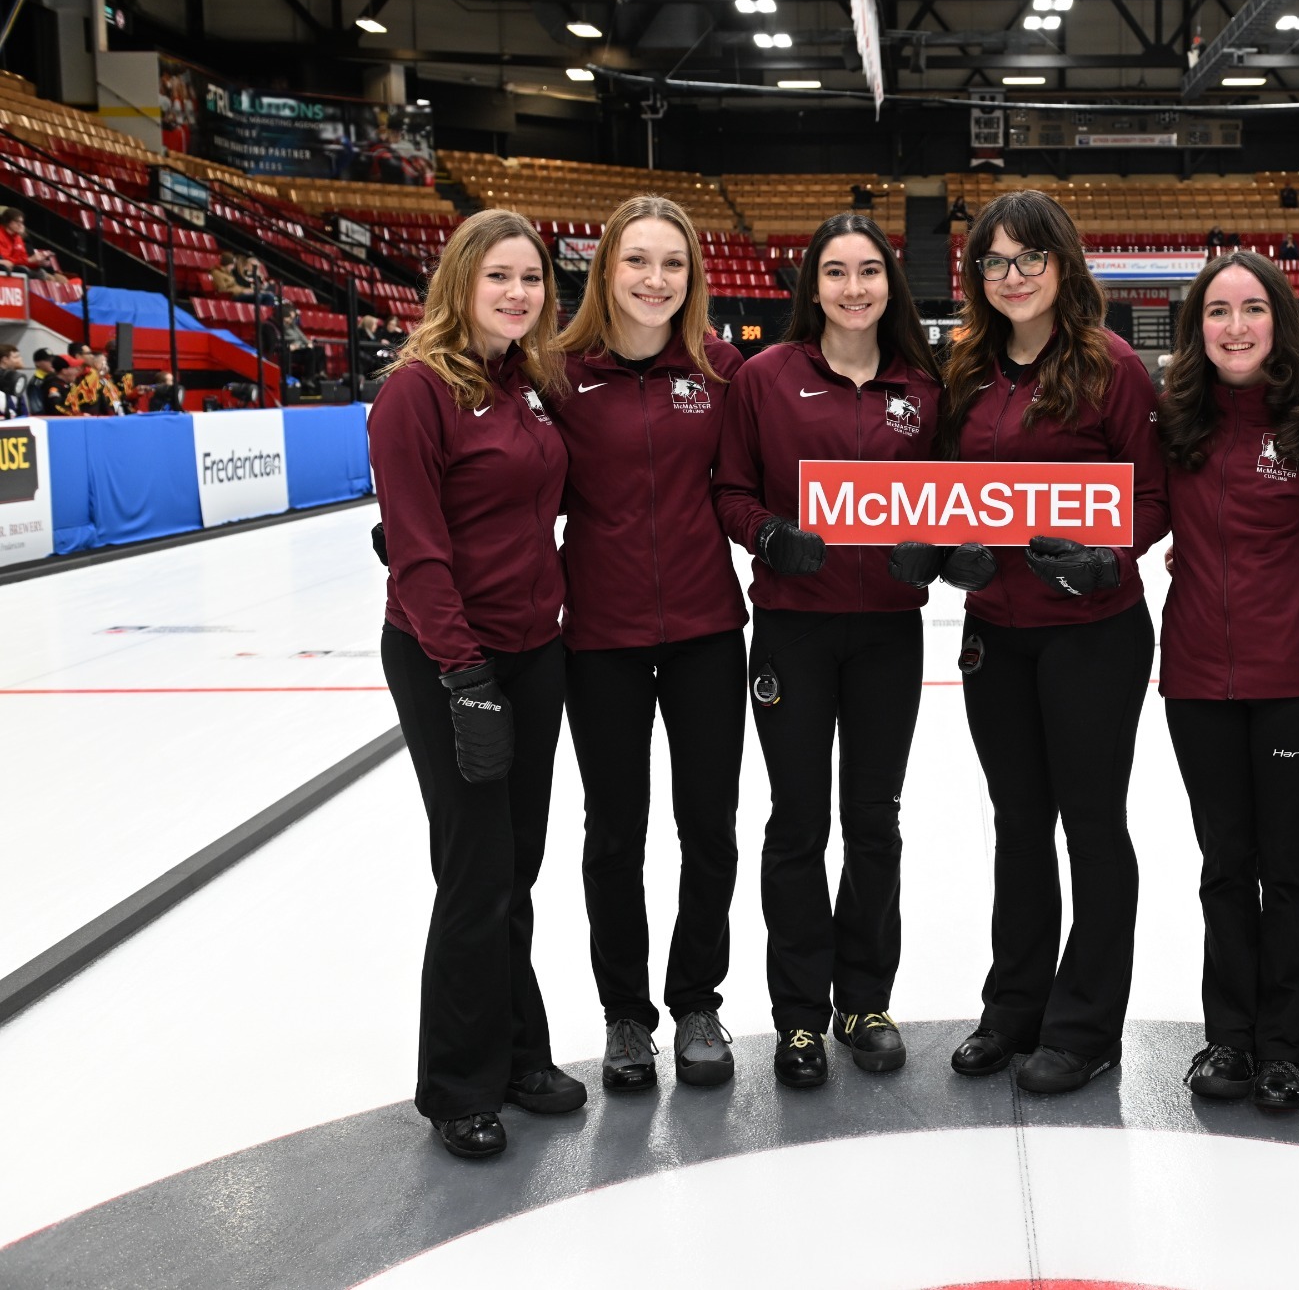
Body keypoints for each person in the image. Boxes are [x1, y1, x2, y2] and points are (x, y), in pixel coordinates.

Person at [935, 189, 1169, 1094]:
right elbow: (948, 498)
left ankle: (1085, 1024)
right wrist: (950, 555)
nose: (1013, 276)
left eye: (1029, 257)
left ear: (1063, 264)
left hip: (1093, 636)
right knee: (1018, 825)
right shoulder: (966, 371)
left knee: (1091, 824)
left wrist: (1111, 560)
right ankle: (1016, 1006)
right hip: (997, 632)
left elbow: (1150, 498)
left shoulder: (1112, 367)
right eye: (994, 261)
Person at [713, 212, 944, 1089]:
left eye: (871, 272)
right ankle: (801, 1016)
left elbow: (953, 501)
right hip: (793, 632)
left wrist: (939, 550)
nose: (855, 288)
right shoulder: (765, 378)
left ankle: (865, 1000)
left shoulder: (923, 385)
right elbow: (729, 488)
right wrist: (769, 535)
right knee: (798, 823)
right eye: (838, 272)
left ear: (892, 283)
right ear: (813, 285)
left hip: (888, 633)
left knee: (874, 821)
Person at [368, 208, 580, 1161]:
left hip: (537, 651)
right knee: (475, 870)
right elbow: (415, 551)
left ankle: (518, 1051)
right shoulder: (414, 393)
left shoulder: (529, 383)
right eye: (499, 277)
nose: (517, 294)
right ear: (460, 282)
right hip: (451, 658)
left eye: (531, 279)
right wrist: (462, 674)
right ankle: (456, 1082)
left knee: (515, 865)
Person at [1157, 251, 1299, 1113]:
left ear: (1279, 320)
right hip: (1198, 677)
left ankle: (1282, 1047)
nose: (1234, 326)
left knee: (1288, 866)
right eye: (1216, 311)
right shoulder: (1173, 423)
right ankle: (1226, 1040)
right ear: (1195, 328)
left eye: (1250, 309)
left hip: (1295, 675)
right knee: (1221, 864)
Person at [550, 195, 749, 1094]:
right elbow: (513, 483)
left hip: (708, 628)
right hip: (601, 638)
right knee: (614, 833)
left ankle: (697, 998)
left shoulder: (720, 370)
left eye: (673, 263)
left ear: (693, 277)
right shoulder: (556, 374)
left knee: (708, 827)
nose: (654, 279)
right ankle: (626, 1013)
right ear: (606, 270)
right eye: (638, 260)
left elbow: (753, 484)